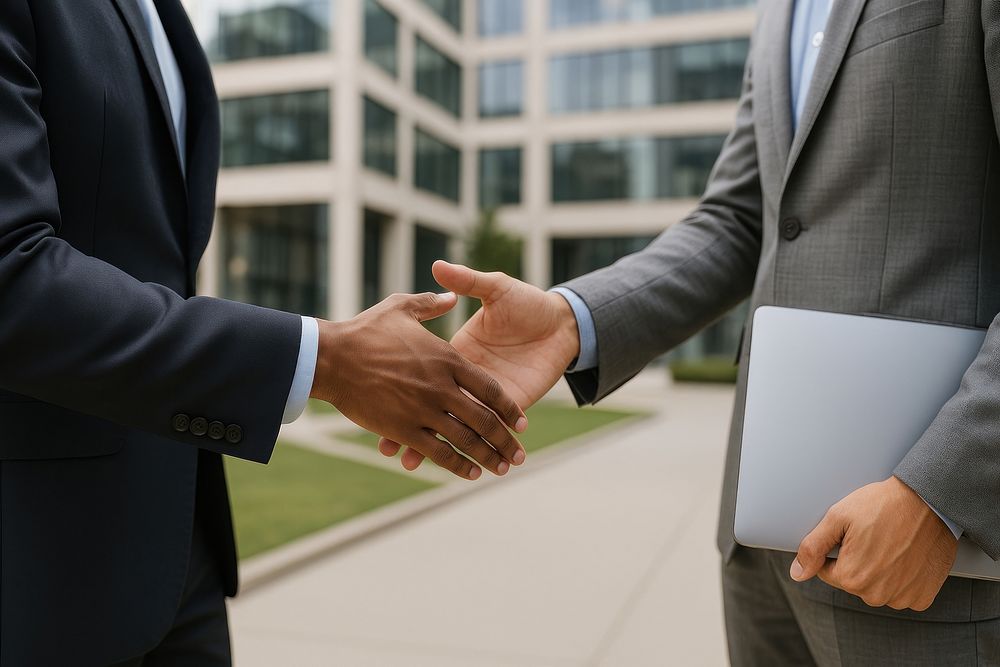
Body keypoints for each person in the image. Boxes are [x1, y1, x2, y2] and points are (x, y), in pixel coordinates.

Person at [380, 0, 1000, 661]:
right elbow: (737, 220)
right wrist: (570, 319)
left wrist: (940, 492)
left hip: (924, 557)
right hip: (757, 556)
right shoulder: (776, 15)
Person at [0, 0, 526, 664]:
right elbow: (11, 275)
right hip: (37, 580)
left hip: (180, 561)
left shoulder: (164, 18)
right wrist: (321, 358)